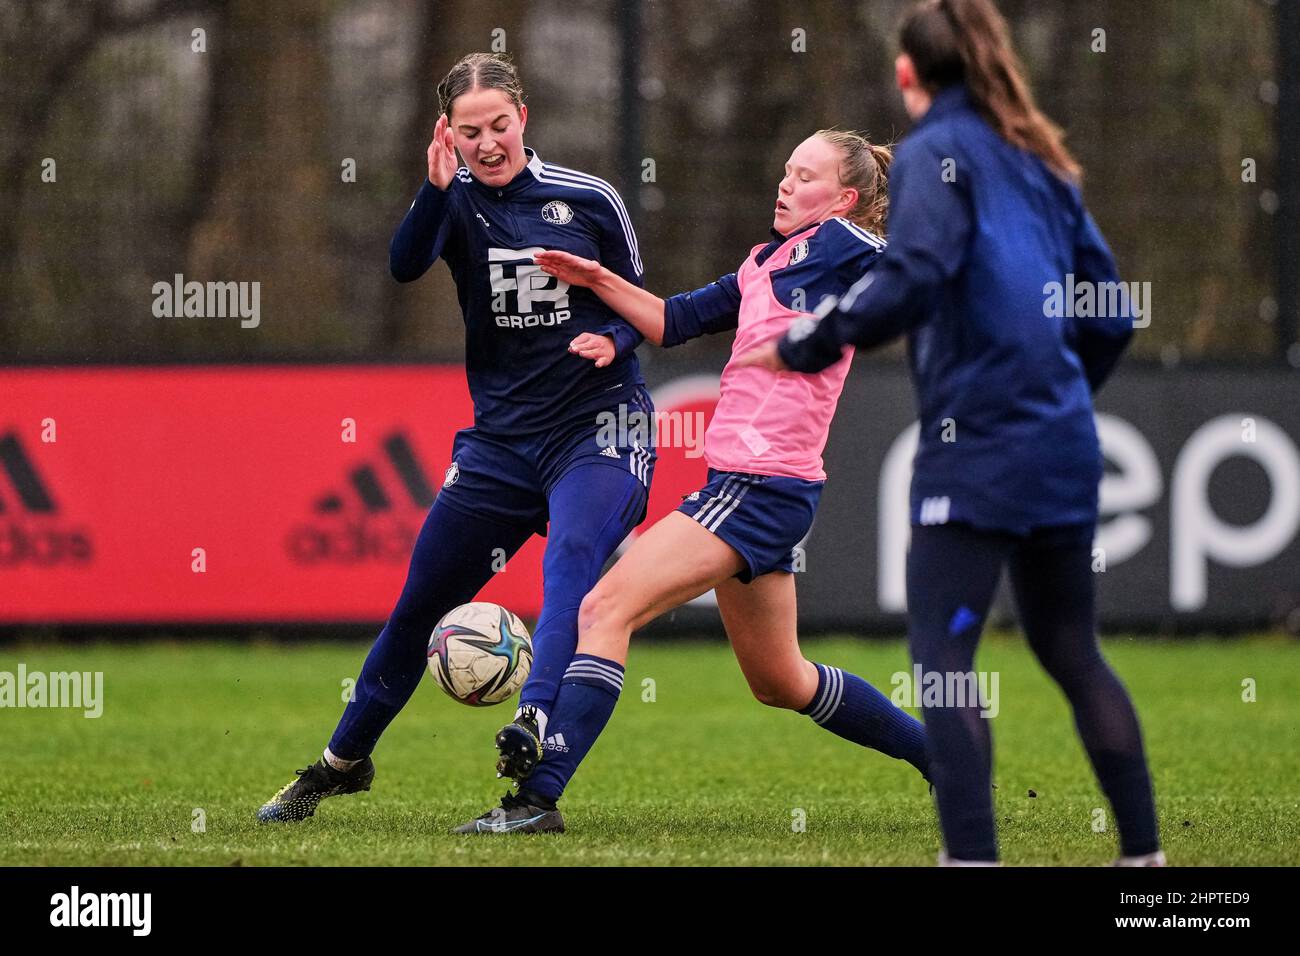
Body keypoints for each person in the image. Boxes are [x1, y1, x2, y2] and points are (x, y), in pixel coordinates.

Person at [740, 0, 1162, 867]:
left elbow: (917, 274)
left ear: (908, 75)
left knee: (944, 661)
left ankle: (971, 861)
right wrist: (1064, 396)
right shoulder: (1038, 157)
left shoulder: (934, 155)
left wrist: (811, 339)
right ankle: (1146, 865)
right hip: (1062, 442)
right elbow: (1113, 311)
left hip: (976, 453)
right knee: (1073, 651)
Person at [454, 130, 931, 835]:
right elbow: (672, 321)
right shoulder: (767, 260)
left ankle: (535, 801)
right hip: (765, 488)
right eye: (786, 169)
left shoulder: (841, 246)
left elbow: (917, 269)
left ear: (844, 200)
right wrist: (596, 279)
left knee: (605, 607)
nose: (786, 183)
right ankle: (944, 755)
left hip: (757, 486)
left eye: (805, 175)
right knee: (782, 681)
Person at [258, 52, 657, 822]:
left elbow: (639, 303)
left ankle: (535, 717)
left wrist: (614, 338)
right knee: (419, 606)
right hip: (501, 444)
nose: (487, 143)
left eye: (499, 126)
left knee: (573, 552)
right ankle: (342, 762)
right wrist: (434, 190)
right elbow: (403, 266)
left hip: (598, 426)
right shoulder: (454, 200)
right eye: (470, 131)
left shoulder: (590, 198)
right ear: (448, 132)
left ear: (523, 120)